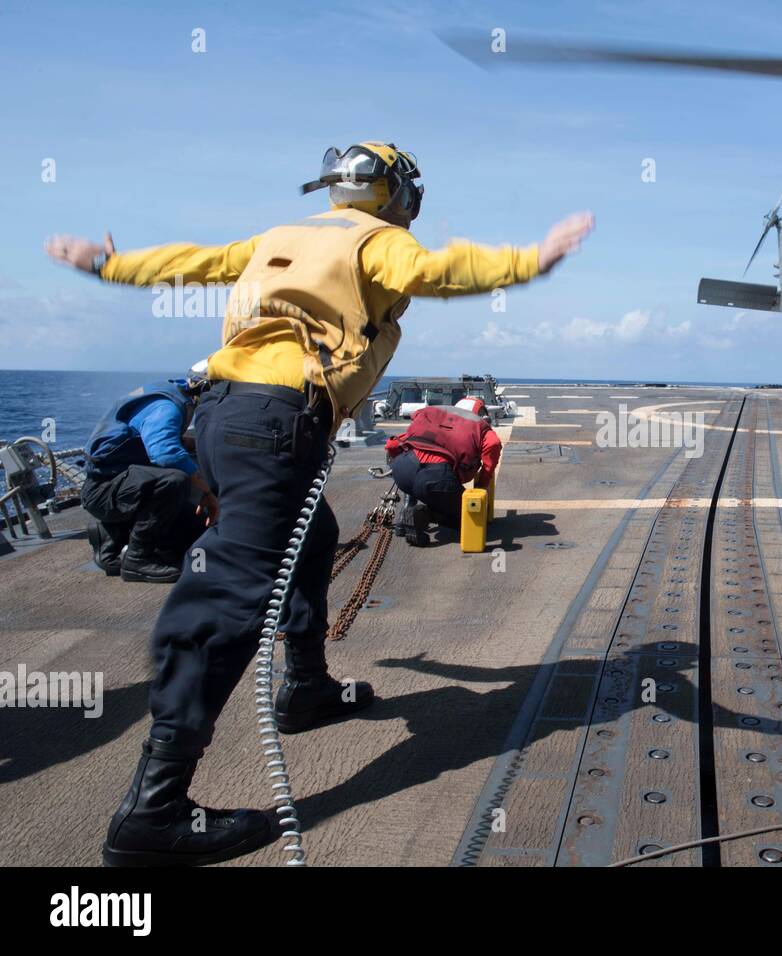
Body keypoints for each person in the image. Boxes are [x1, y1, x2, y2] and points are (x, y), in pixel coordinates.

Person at [45, 141, 593, 866]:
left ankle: (305, 686)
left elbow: (193, 261)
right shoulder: (378, 241)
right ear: (393, 193)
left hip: (220, 417)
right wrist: (529, 260)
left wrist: (111, 265)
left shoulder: (281, 236)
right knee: (225, 601)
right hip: (277, 420)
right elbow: (436, 272)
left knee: (315, 533)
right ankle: (154, 810)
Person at [81, 375, 216, 582]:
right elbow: (165, 453)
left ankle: (112, 534)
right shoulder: (168, 408)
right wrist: (206, 491)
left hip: (120, 486)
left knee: (193, 530)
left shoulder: (170, 395)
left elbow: (155, 437)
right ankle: (137, 560)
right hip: (105, 492)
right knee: (175, 480)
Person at [386, 396, 501, 534]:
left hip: (402, 471)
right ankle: (425, 515)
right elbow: (493, 444)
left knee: (415, 472)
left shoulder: (433, 415)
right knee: (471, 518)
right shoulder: (479, 426)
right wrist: (481, 485)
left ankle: (405, 513)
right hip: (437, 478)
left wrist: (396, 466)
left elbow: (392, 445)